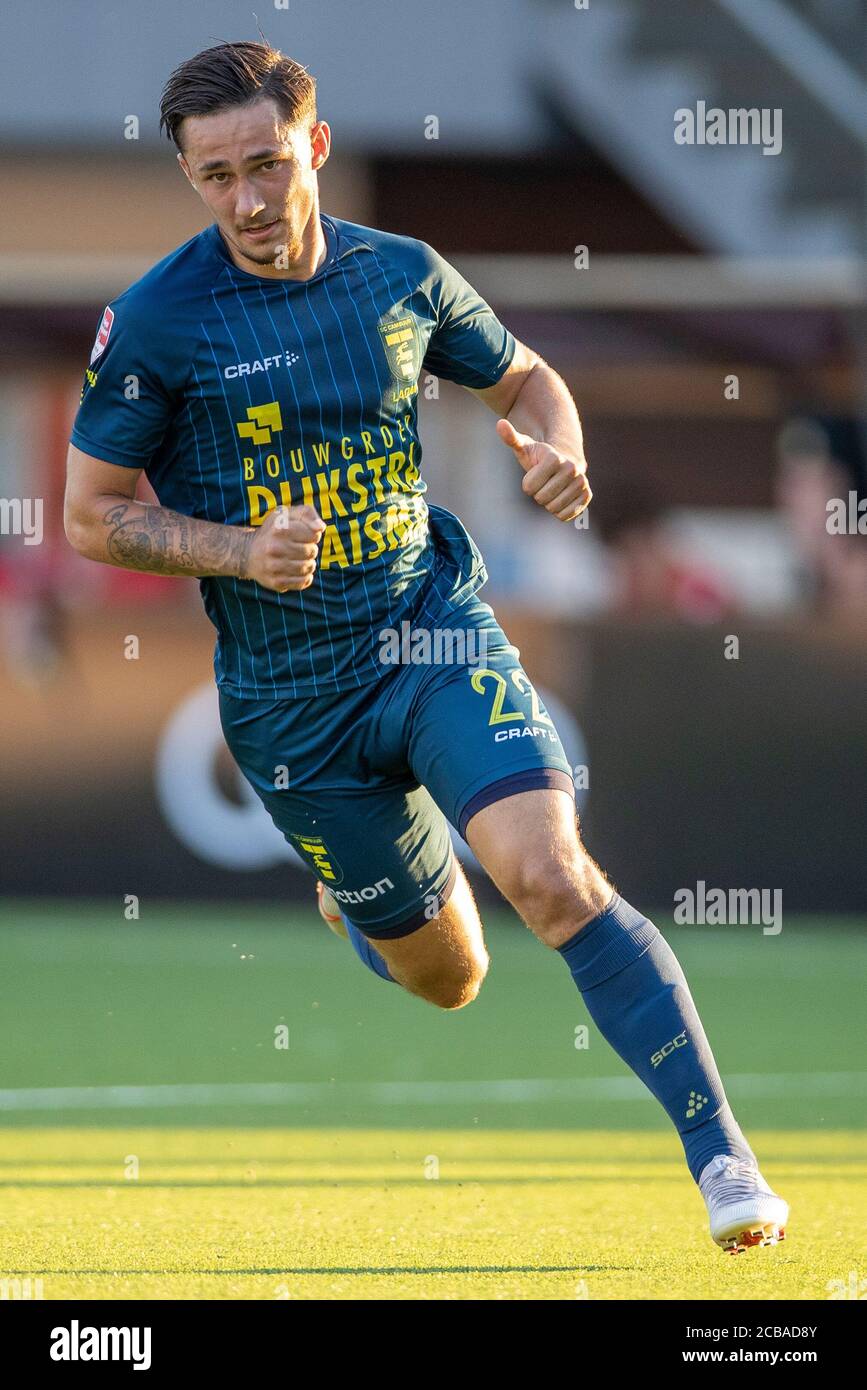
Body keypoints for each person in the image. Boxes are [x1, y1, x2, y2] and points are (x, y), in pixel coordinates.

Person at [64, 40, 787, 1253]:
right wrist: (236, 550)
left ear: (318, 148)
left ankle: (723, 1158)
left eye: (268, 164)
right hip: (291, 701)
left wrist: (559, 448)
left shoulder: (402, 275)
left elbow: (528, 381)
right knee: (452, 976)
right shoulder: (156, 320)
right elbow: (91, 515)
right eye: (217, 176)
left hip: (428, 631)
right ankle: (358, 911)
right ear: (191, 176)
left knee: (552, 879)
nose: (247, 199)